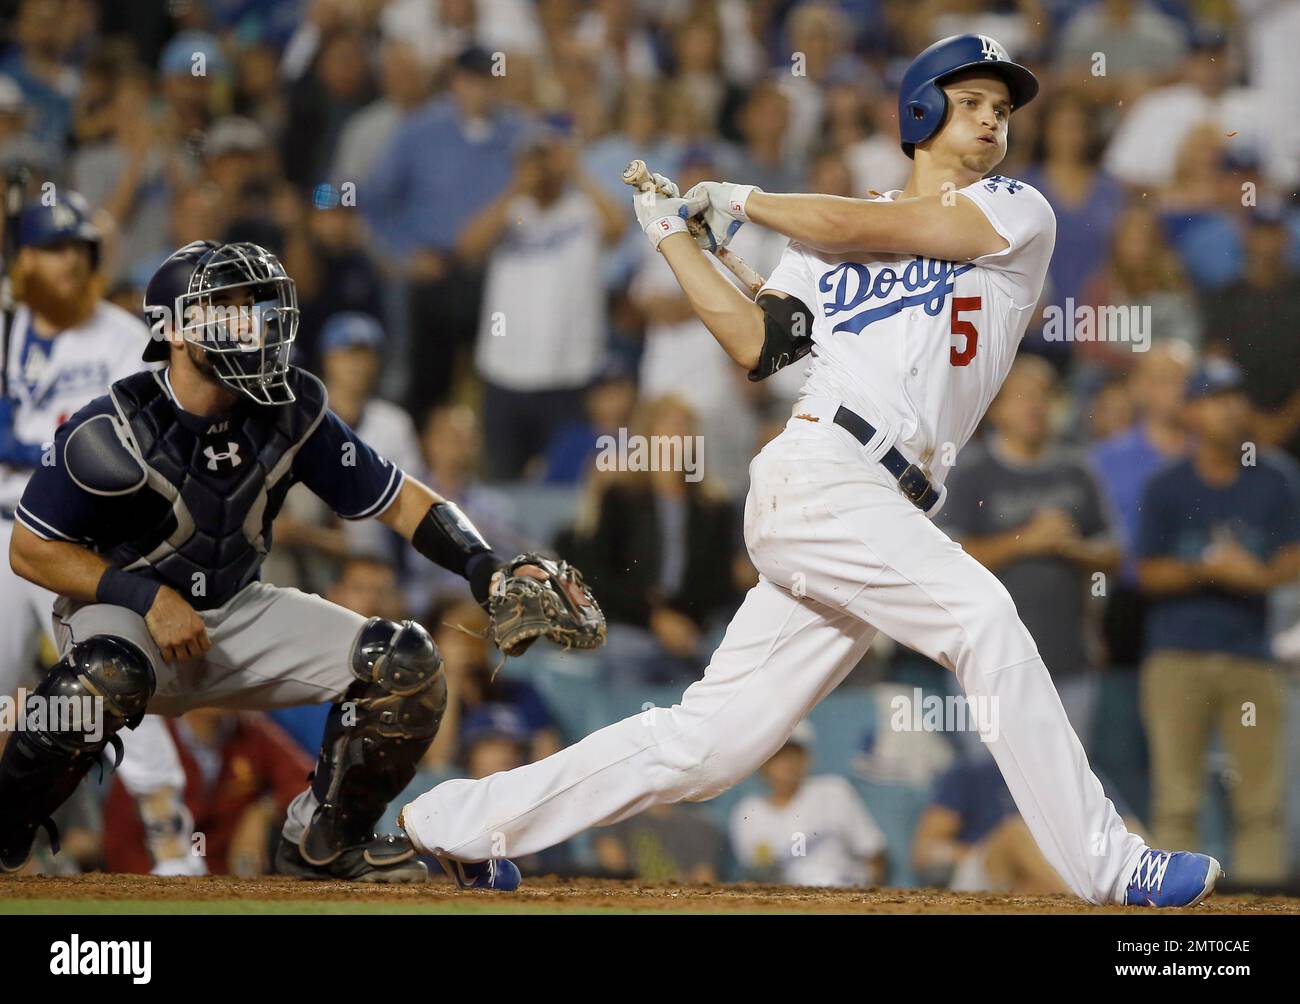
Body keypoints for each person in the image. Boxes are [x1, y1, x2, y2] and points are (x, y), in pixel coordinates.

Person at [400, 35, 1222, 907]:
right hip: (823, 469)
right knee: (981, 615)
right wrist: (674, 239)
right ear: (920, 109)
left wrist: (746, 199)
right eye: (972, 99)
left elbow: (885, 226)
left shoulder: (1016, 210)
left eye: (1002, 109)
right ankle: (1109, 864)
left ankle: (457, 821)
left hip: (880, 500)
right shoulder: (827, 233)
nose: (991, 118)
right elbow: (759, 343)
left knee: (710, 747)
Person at [0, 239, 596, 890]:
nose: (249, 322)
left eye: (253, 306)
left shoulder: (292, 407)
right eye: (223, 308)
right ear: (172, 329)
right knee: (102, 676)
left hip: (236, 609)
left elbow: (398, 499)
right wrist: (144, 597)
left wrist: (486, 569)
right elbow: (30, 551)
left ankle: (325, 842)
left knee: (407, 666)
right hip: (125, 618)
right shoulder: (107, 429)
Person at [0, 193, 201, 877]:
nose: (71, 265)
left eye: (81, 252)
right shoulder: (6, 330)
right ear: (23, 260)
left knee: (110, 672)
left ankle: (172, 841)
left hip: (76, 539)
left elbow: (122, 447)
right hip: (3, 537)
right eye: (56, 250)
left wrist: (28, 439)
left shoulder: (120, 337)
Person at [1136, 359, 1300, 887]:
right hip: (1177, 654)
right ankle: (1173, 906)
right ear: (1190, 413)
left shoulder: (1273, 476)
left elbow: (1293, 558)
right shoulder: (1167, 485)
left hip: (1252, 655)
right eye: (1214, 398)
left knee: (1261, 800)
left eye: (1235, 397)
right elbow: (1146, 572)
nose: (1230, 408)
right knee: (1177, 798)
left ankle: (1262, 904)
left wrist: (1254, 574)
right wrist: (1206, 569)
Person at [939, 356, 1120, 746]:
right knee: (992, 783)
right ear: (996, 408)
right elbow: (947, 559)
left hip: (1067, 655)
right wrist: (1025, 540)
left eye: (1044, 396)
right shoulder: (971, 473)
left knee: (1070, 786)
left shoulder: (1077, 470)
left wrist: (1069, 546)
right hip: (989, 661)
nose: (1036, 406)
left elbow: (1112, 553)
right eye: (1023, 396)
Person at [730, 722, 886, 888]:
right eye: (778, 756)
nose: (788, 764)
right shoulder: (748, 811)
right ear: (763, 764)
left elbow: (874, 854)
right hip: (786, 900)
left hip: (842, 892)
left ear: (807, 759)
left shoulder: (833, 791)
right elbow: (756, 875)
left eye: (795, 754)